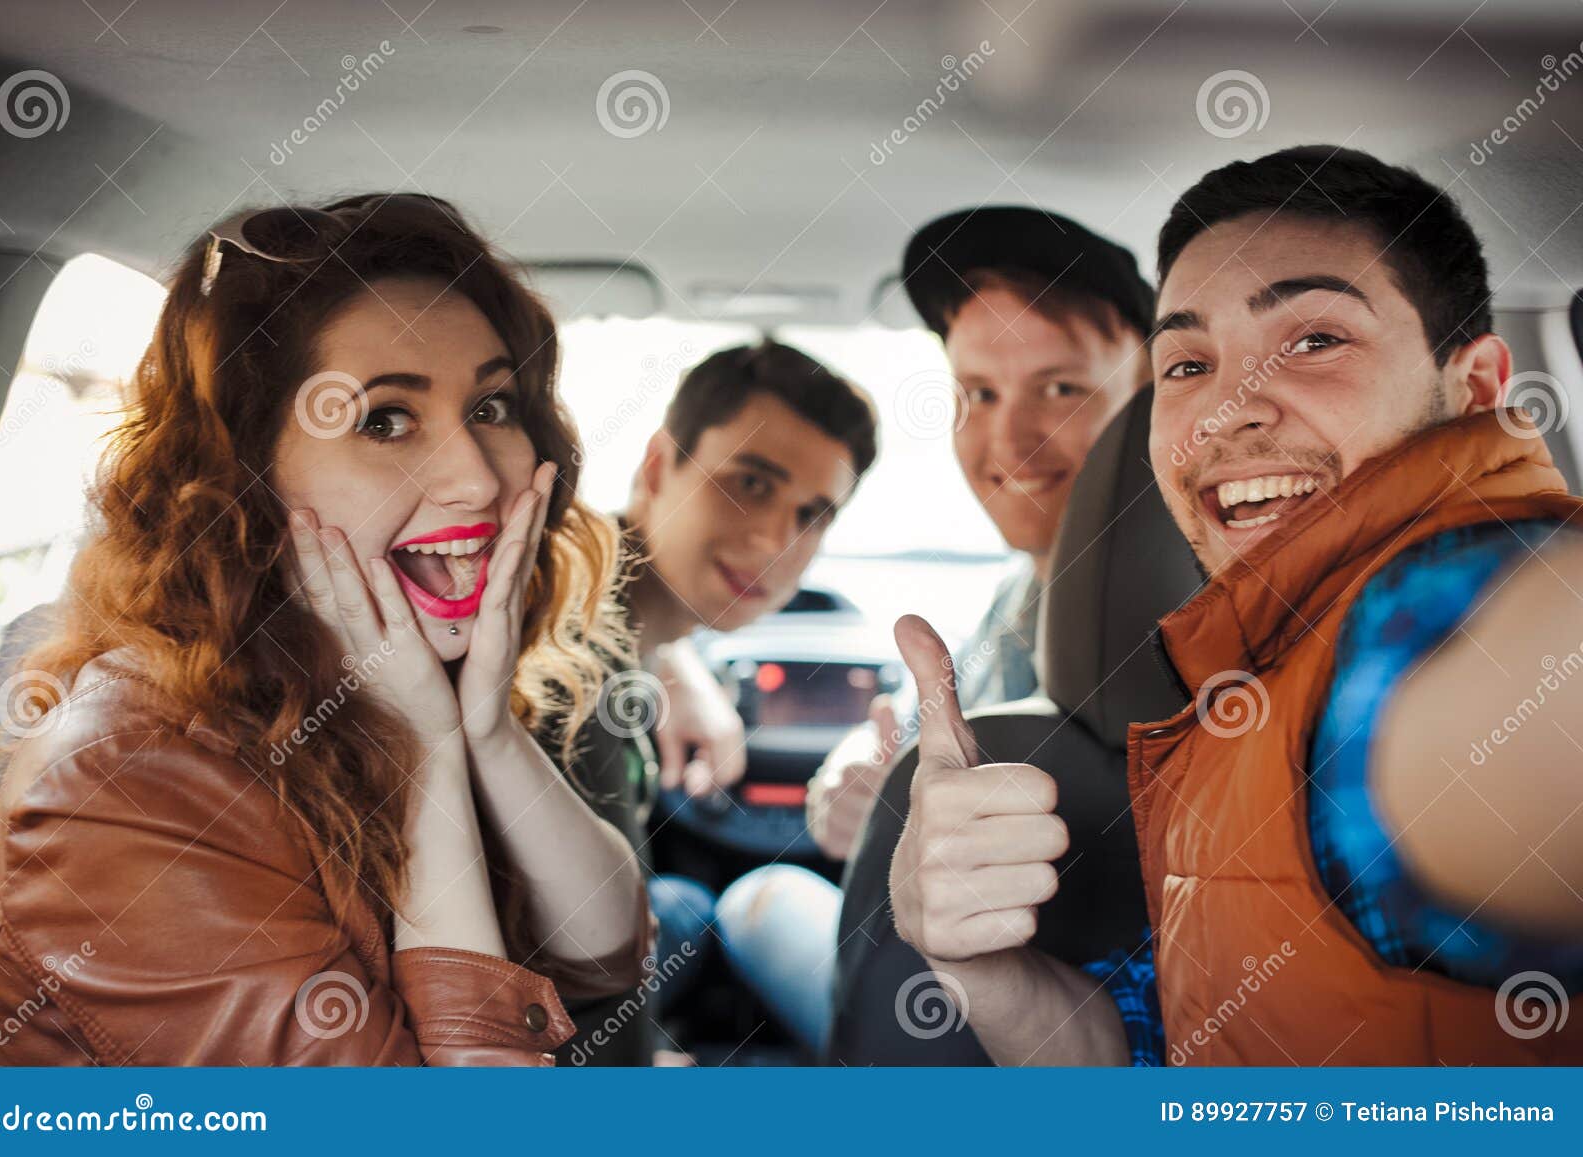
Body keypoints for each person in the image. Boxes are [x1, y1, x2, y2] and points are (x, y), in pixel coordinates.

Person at [888, 146, 1583, 1065]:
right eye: (1186, 364)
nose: (1226, 413)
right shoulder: (1226, 695)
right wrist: (981, 969)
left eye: (1313, 341)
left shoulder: (1451, 623)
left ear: (1478, 386)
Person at [0, 194, 650, 1065]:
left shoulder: (367, 677)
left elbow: (608, 952)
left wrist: (481, 731)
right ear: (244, 476)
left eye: (491, 408)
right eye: (384, 420)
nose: (478, 481)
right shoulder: (122, 789)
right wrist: (427, 754)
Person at [715, 207, 1152, 1057]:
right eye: (978, 393)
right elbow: (929, 738)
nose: (1010, 441)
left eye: (1062, 389)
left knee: (750, 900)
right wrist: (873, 782)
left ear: (1151, 397)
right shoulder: (1015, 601)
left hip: (997, 1030)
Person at [552, 338, 878, 1061]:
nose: (773, 542)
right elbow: (590, 969)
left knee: (689, 910)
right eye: (750, 484)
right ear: (658, 465)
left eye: (812, 514)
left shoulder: (615, 609)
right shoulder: (573, 673)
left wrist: (676, 660)